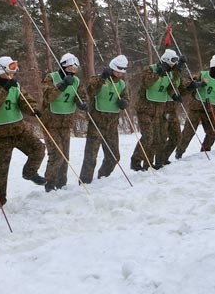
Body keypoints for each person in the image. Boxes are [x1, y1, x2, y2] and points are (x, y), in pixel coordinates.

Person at [0, 56, 46, 208]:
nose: (12, 75)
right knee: (0, 170)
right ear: (0, 71)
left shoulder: (15, 85)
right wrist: (5, 90)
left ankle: (30, 172)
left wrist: (33, 109)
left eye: (13, 72)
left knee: (38, 148)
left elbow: (25, 100)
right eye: (9, 72)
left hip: (18, 130)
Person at [130, 49, 188, 171]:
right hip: (145, 108)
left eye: (175, 61)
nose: (174, 64)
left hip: (159, 109)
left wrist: (174, 96)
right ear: (166, 60)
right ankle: (136, 161)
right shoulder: (151, 69)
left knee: (159, 138)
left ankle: (151, 164)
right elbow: (146, 84)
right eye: (172, 61)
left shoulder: (171, 72)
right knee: (148, 136)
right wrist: (158, 74)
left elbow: (169, 88)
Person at [79, 55, 129, 184]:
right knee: (91, 155)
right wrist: (102, 78)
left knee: (114, 156)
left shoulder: (122, 84)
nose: (119, 74)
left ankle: (103, 177)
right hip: (97, 123)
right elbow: (90, 91)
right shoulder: (98, 79)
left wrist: (124, 103)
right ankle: (85, 181)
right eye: (118, 71)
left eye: (122, 72)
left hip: (112, 124)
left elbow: (126, 98)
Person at [41, 53, 87, 192]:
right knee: (57, 154)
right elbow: (48, 97)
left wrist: (83, 104)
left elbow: (81, 96)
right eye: (70, 66)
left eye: (75, 67)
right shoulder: (51, 77)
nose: (73, 69)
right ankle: (50, 184)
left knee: (65, 155)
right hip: (50, 122)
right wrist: (61, 85)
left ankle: (61, 184)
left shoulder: (76, 81)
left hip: (66, 123)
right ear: (63, 65)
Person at [175, 54, 215, 158]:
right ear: (213, 67)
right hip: (196, 107)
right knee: (188, 131)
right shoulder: (202, 75)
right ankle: (179, 152)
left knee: (212, 132)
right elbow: (186, 82)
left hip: (210, 108)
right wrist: (195, 84)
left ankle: (205, 150)